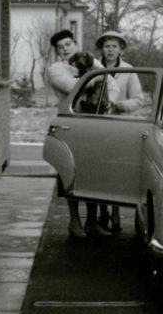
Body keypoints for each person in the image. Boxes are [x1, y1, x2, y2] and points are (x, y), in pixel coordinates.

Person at [46, 29, 118, 238]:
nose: (65, 49)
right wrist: (96, 78)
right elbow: (74, 87)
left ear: (75, 44)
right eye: (60, 48)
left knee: (93, 171)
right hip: (71, 125)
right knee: (72, 174)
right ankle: (74, 221)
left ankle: (92, 221)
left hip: (93, 124)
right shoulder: (56, 68)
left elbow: (111, 83)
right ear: (57, 52)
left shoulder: (92, 63)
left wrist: (109, 101)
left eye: (68, 44)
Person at [94, 30, 146, 232]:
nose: (110, 50)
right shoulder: (95, 68)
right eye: (107, 46)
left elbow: (139, 99)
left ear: (120, 49)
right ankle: (102, 211)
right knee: (100, 171)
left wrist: (119, 105)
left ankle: (116, 212)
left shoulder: (128, 70)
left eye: (114, 46)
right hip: (98, 127)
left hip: (120, 126)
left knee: (116, 171)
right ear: (102, 48)